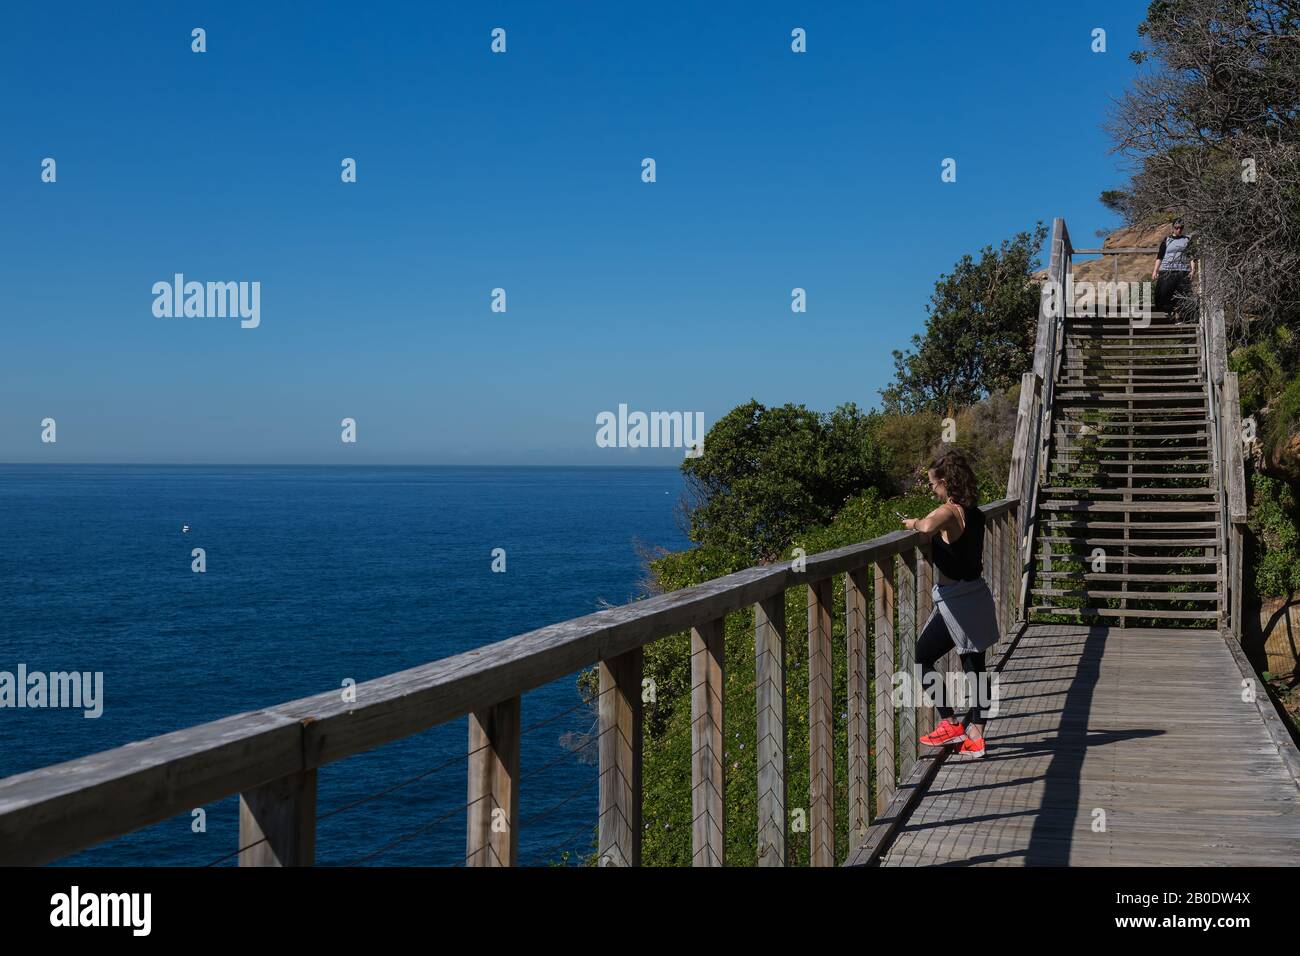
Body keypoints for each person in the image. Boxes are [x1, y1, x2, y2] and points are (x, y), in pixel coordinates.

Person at [902, 449, 1000, 759]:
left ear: (945, 482)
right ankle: (977, 734)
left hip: (956, 601)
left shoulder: (950, 511)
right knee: (976, 667)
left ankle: (950, 722)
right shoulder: (976, 512)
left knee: (921, 658)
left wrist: (913, 522)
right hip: (975, 595)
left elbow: (929, 526)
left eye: (933, 484)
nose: (932, 489)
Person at [1151, 217, 1196, 323]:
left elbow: (1192, 256)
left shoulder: (1187, 240)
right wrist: (1155, 271)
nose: (1179, 230)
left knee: (1183, 294)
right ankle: (1170, 312)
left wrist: (1193, 270)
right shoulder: (1167, 240)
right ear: (1173, 228)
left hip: (1182, 270)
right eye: (1176, 228)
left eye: (1181, 228)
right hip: (1167, 270)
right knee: (1162, 293)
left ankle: (1180, 316)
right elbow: (1160, 257)